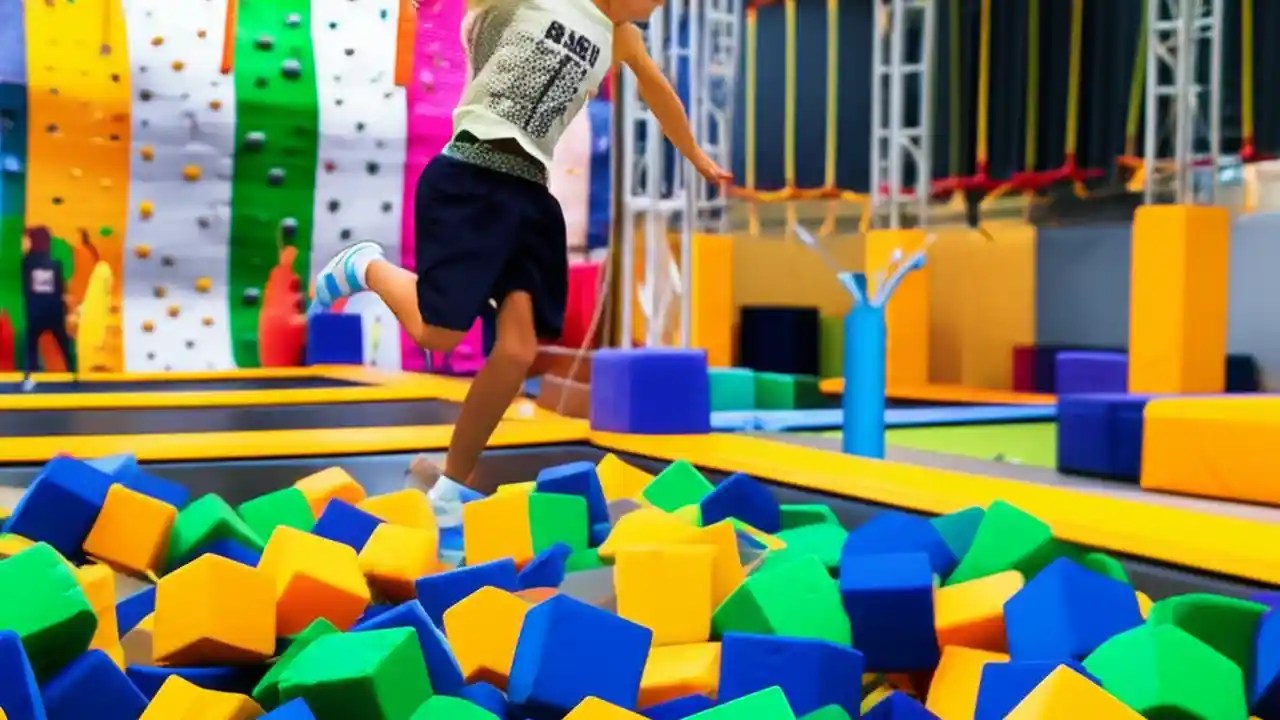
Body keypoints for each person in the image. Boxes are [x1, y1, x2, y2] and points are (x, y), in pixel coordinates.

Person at [309, 0, 730, 524]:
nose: (653, 9)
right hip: (470, 176)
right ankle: (366, 266)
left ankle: (450, 488)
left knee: (517, 351)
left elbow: (657, 90)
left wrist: (695, 154)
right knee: (439, 334)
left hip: (529, 194)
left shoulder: (622, 36)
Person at [21, 225, 76, 390]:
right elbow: (60, 290)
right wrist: (64, 310)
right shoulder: (55, 264)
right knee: (64, 345)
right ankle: (75, 375)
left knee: (31, 347)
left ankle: (29, 379)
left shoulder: (27, 262)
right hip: (54, 311)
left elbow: (26, 289)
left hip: (35, 312)